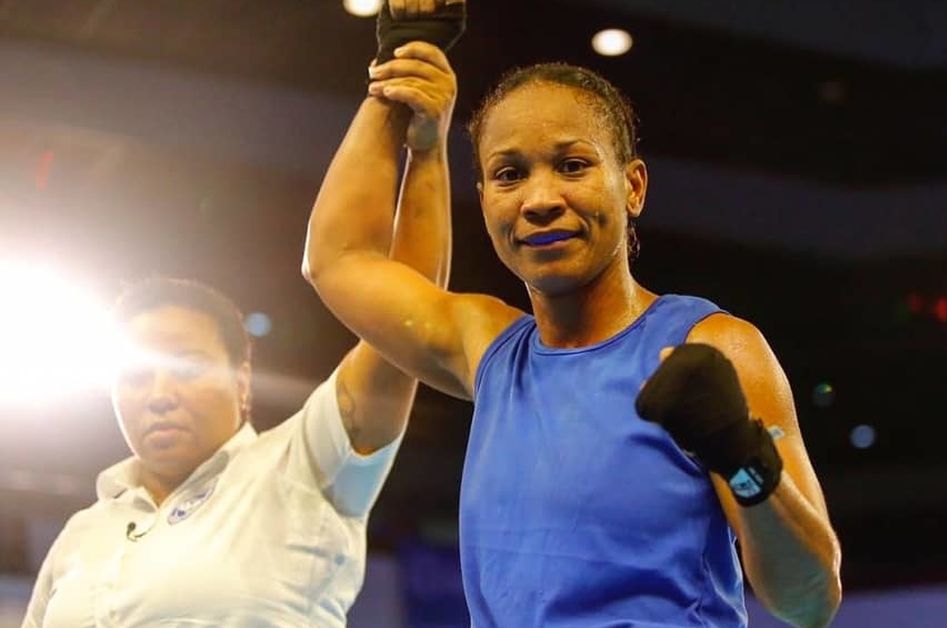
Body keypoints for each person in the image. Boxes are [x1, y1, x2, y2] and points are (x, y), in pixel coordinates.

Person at [305, 1, 842, 625]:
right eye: (510, 174)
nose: (540, 199)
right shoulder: (489, 350)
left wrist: (741, 455)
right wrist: (395, 89)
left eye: (573, 165)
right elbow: (338, 260)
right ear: (483, 201)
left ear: (632, 186)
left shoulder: (711, 346)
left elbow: (811, 601)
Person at [20, 71, 452, 626]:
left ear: (241, 378)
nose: (158, 395)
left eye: (186, 367)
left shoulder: (302, 468)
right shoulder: (82, 534)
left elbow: (406, 315)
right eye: (134, 376)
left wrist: (425, 147)